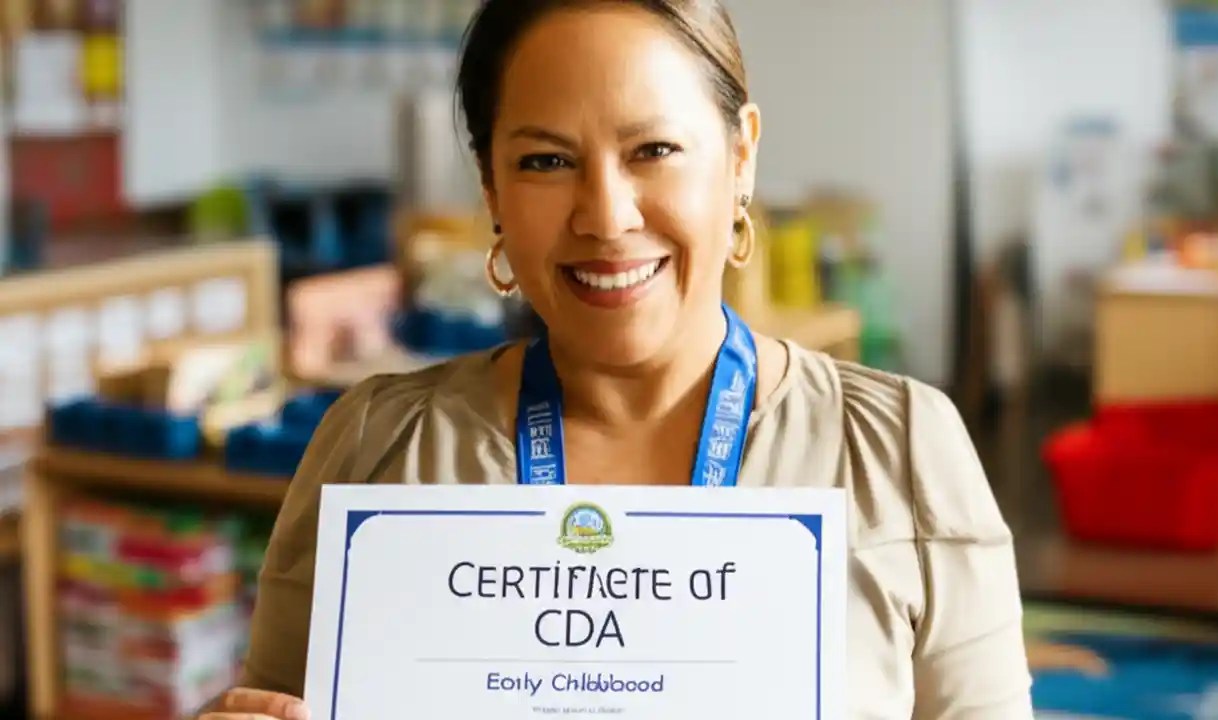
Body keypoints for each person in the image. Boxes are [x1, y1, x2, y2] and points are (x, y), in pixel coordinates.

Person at [198, 1, 1033, 718]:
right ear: (491, 188)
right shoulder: (377, 449)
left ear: (741, 155)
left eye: (653, 150)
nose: (605, 216)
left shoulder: (900, 453)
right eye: (546, 161)